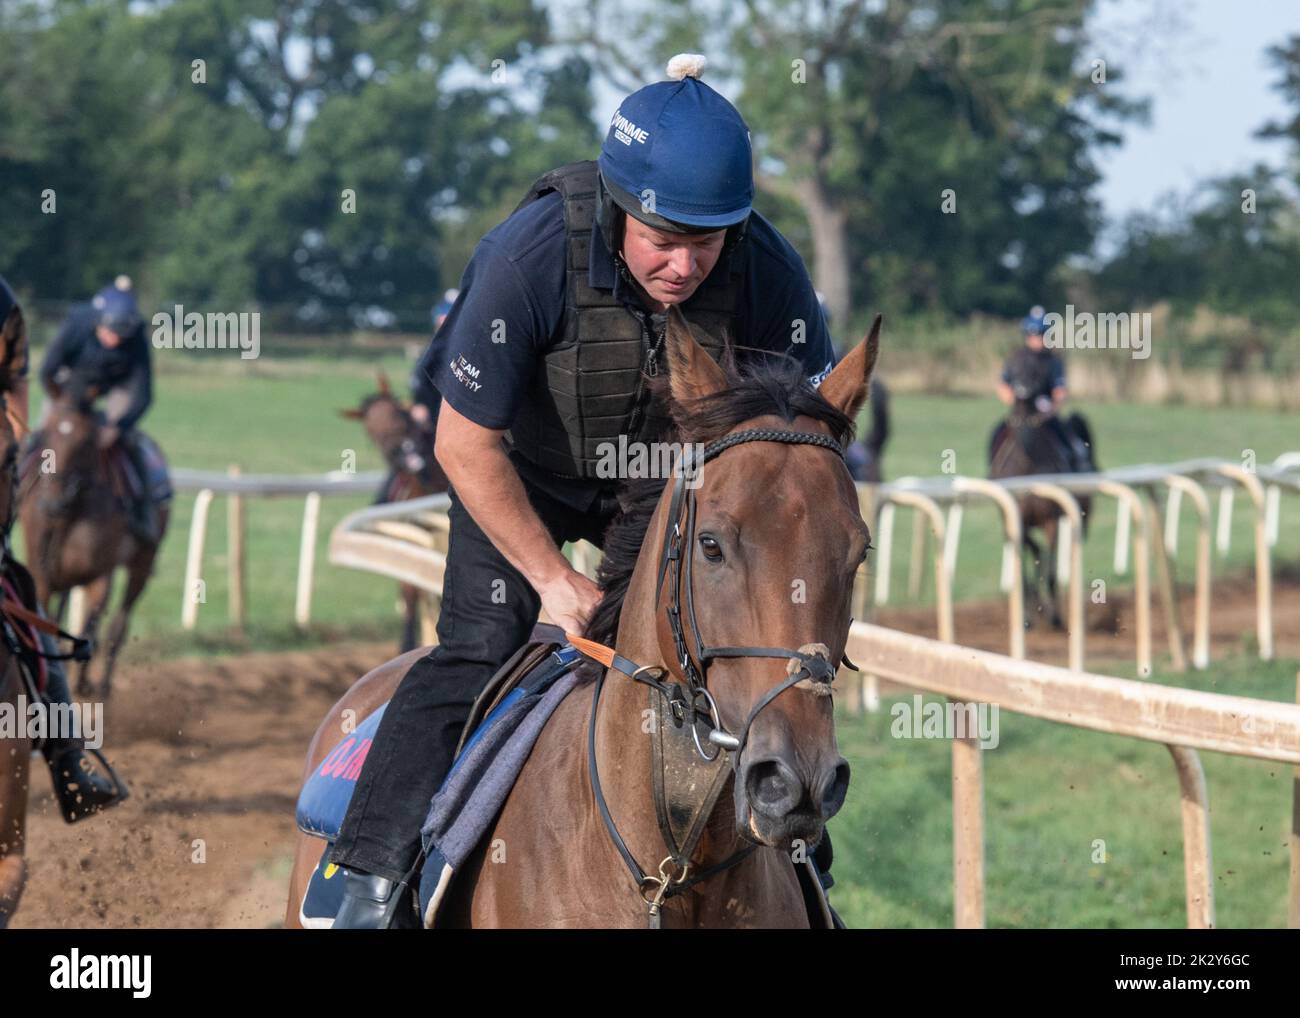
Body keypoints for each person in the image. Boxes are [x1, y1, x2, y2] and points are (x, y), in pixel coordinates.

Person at [329, 54, 840, 928]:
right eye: (662, 240)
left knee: (722, 657)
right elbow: (461, 439)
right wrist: (551, 580)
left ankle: (808, 875)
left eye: (706, 244)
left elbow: (807, 432)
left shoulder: (769, 272)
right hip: (519, 474)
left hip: (666, 490)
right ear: (618, 207)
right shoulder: (526, 256)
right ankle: (370, 887)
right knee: (476, 647)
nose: (683, 266)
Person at [0, 274, 128, 820]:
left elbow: (18, 394)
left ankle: (69, 760)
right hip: (66, 396)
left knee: (23, 609)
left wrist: (24, 431)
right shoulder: (76, 327)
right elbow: (52, 370)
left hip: (92, 413)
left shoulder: (5, 306)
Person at [38, 276, 161, 541]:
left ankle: (142, 508)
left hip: (114, 387)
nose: (115, 340)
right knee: (47, 438)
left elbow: (142, 395)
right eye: (110, 333)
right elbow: (48, 369)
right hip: (68, 385)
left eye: (121, 336)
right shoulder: (77, 323)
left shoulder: (137, 338)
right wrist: (61, 405)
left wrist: (117, 427)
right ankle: (32, 488)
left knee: (129, 442)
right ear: (97, 322)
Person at [991, 306, 1093, 472]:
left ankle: (1077, 464)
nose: (1037, 339)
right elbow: (1003, 385)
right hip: (1019, 415)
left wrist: (1049, 409)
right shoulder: (1016, 358)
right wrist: (1018, 402)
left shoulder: (1053, 361)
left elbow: (1060, 391)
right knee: (998, 434)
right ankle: (994, 471)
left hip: (1045, 417)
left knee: (1068, 439)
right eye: (1034, 335)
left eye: (1041, 334)